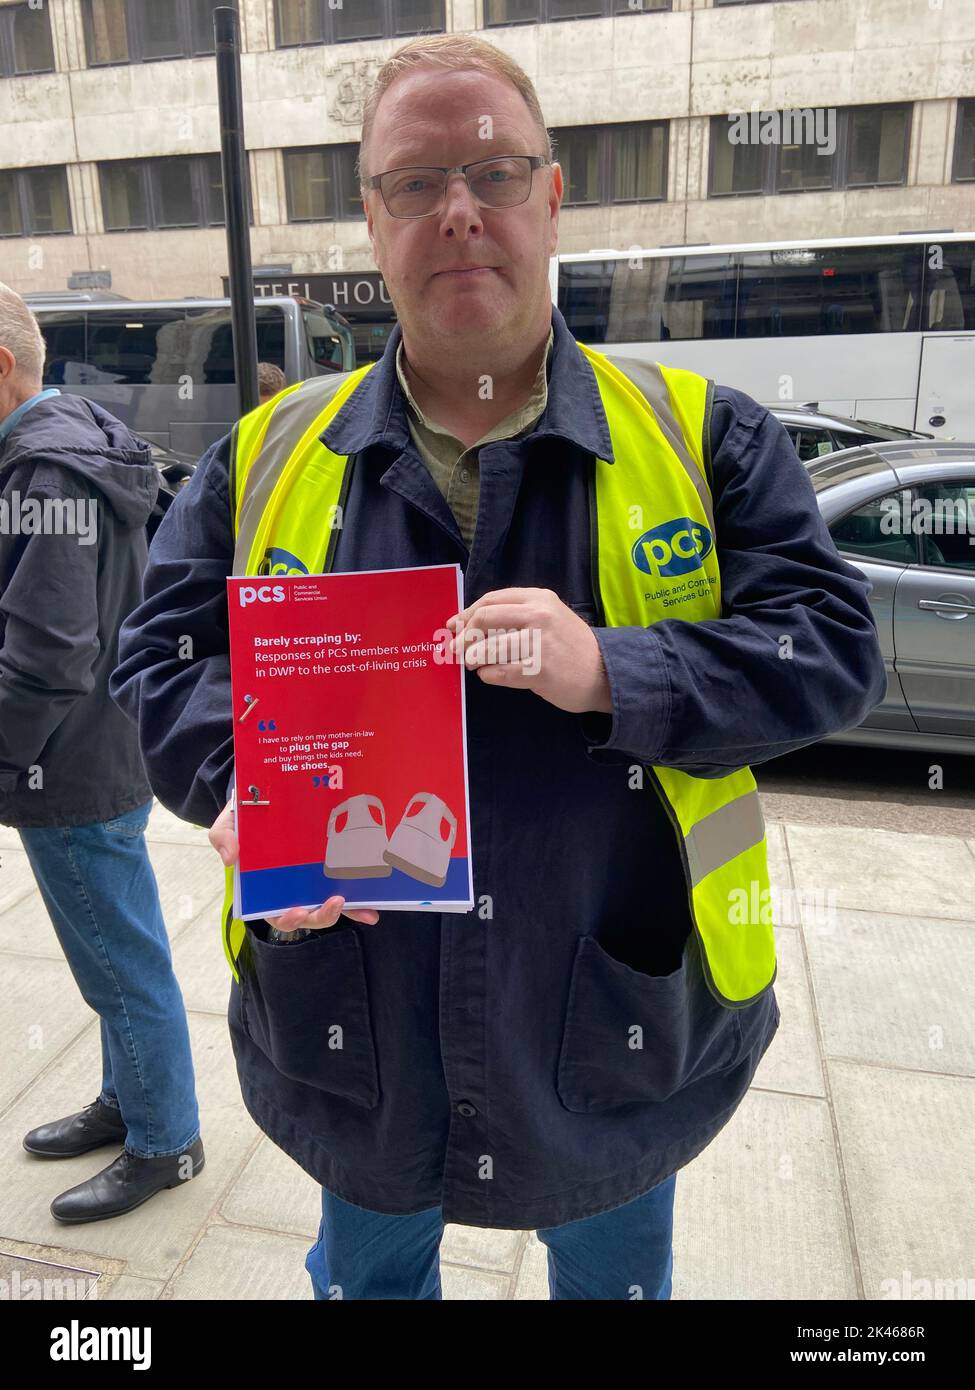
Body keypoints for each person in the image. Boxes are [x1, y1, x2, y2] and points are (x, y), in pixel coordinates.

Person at [111, 35, 887, 1299]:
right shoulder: (264, 456)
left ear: (553, 196)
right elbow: (158, 658)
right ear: (373, 222)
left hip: (616, 1038)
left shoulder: (704, 439)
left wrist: (614, 672)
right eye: (415, 182)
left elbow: (830, 647)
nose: (459, 209)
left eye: (495, 171)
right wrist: (248, 779)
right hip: (357, 1043)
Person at [0, 282, 204, 1224]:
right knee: (118, 954)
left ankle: (166, 1143)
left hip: (68, 763)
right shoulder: (83, 439)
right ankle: (130, 1103)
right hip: (103, 743)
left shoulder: (43, 477)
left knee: (121, 965)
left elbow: (46, 654)